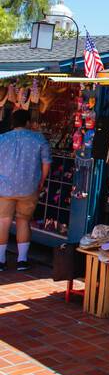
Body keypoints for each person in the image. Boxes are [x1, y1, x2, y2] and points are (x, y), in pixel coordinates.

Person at [0, 108, 52, 272]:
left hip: (5, 187)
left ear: (12, 123)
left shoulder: (2, 138)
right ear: (28, 122)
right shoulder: (38, 138)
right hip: (29, 187)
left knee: (3, 222)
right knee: (23, 221)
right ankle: (22, 260)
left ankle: (0, 260)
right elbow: (46, 162)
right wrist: (41, 181)